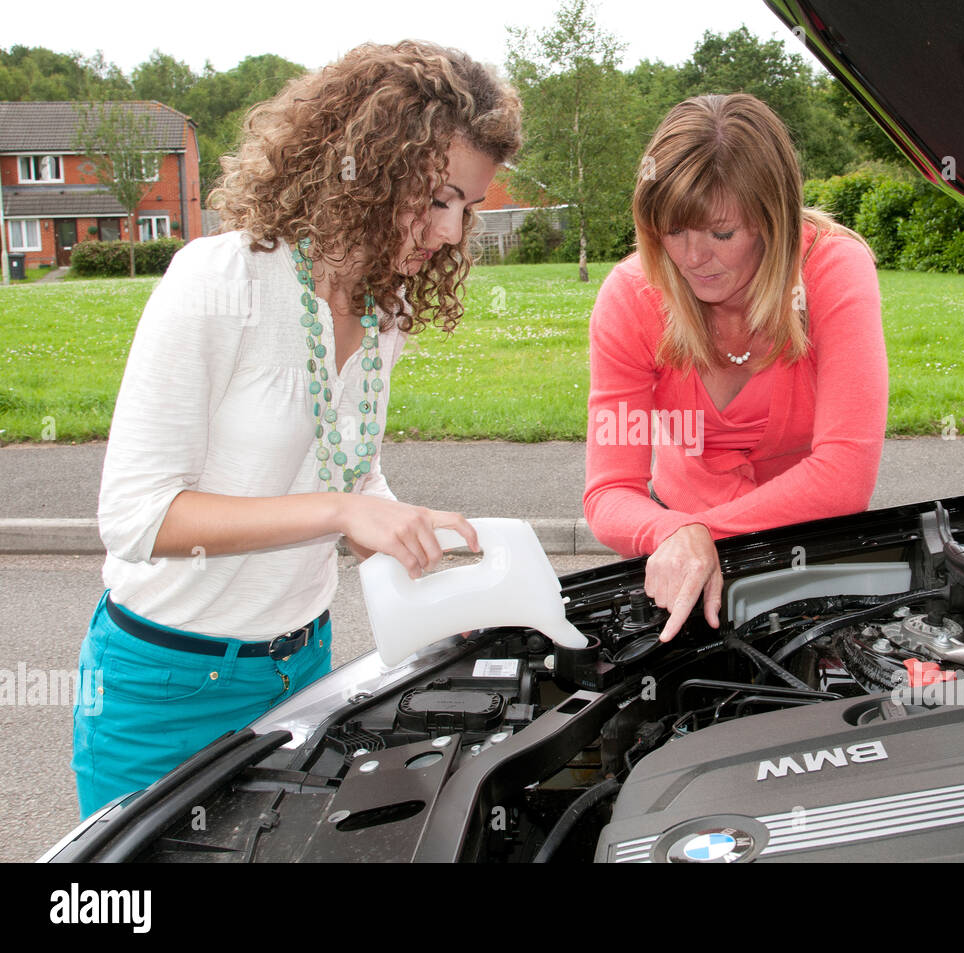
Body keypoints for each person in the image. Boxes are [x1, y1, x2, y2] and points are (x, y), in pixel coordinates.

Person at [71, 41, 522, 818]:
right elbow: (137, 516)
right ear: (370, 163)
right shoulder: (219, 282)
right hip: (163, 687)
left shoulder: (387, 306)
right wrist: (346, 512)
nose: (451, 232)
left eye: (468, 208)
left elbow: (348, 474)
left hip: (303, 669)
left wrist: (427, 555)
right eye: (439, 197)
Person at [583, 93, 888, 642]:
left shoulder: (832, 271)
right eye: (674, 230)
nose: (694, 256)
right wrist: (669, 529)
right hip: (677, 548)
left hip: (810, 546)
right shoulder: (631, 298)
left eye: (721, 233)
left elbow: (845, 477)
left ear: (774, 219)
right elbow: (609, 492)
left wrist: (700, 532)